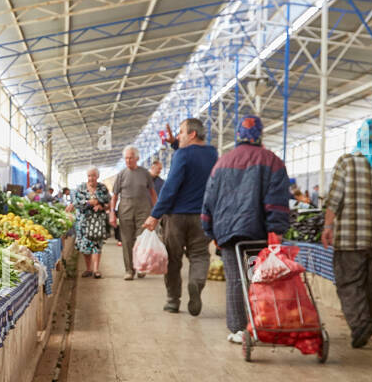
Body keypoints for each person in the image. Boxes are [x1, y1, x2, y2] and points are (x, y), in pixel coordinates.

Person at [200, 115, 290, 344]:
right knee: (255, 277)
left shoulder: (222, 163)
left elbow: (209, 200)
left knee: (235, 280)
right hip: (257, 234)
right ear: (260, 135)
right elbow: (276, 201)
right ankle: (259, 323)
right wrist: (276, 230)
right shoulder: (272, 161)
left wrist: (210, 230)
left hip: (228, 234)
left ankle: (239, 329)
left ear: (238, 135)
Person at [322, 117, 372, 349]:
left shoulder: (346, 163)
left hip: (350, 238)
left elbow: (334, 199)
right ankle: (367, 326)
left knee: (349, 282)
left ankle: (360, 324)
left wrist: (328, 227)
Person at [142, 117, 216, 316]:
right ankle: (196, 283)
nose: (179, 135)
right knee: (200, 255)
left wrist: (155, 214)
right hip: (202, 217)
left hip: (176, 218)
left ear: (192, 134)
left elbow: (170, 187)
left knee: (173, 259)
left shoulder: (182, 155)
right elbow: (195, 160)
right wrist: (175, 143)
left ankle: (173, 301)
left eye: (181, 132)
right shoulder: (212, 154)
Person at [109, 146, 160, 280]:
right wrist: (112, 214)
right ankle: (129, 270)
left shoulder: (145, 174)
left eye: (131, 157)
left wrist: (157, 211)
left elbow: (153, 194)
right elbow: (114, 196)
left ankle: (141, 267)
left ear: (137, 158)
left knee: (141, 238)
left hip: (143, 208)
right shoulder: (121, 174)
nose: (128, 160)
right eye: (126, 158)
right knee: (126, 241)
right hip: (125, 208)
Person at [74, 168, 111, 279]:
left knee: (97, 244)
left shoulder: (102, 188)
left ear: (98, 176)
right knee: (85, 245)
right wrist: (89, 202)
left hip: (98, 221)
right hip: (83, 221)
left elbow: (109, 203)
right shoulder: (81, 188)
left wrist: (101, 206)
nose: (91, 178)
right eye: (89, 175)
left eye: (94, 175)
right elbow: (76, 203)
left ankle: (96, 270)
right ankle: (88, 269)